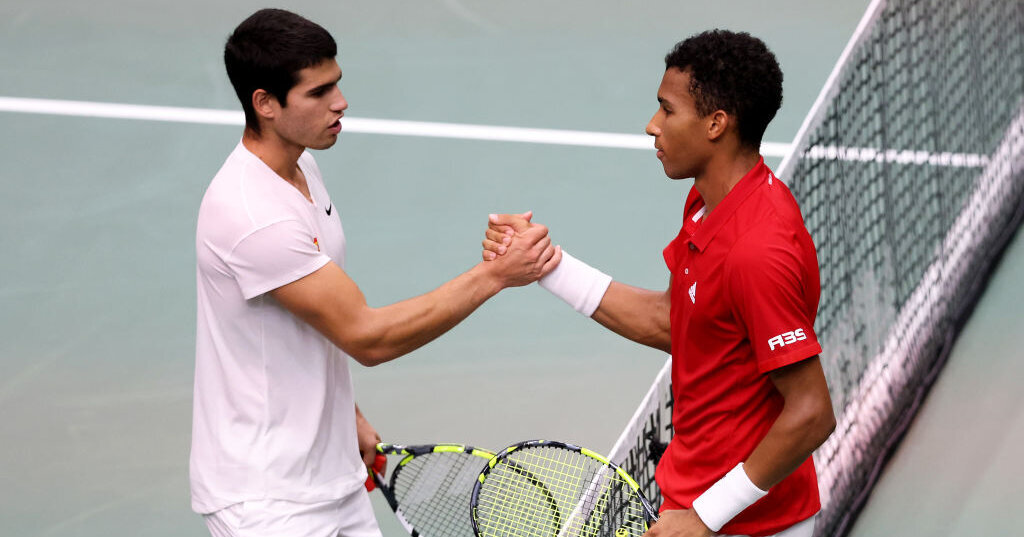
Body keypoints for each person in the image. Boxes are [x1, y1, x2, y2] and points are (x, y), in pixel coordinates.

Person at [191, 8, 561, 537]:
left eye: (337, 84)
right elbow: (368, 336)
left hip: (331, 475)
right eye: (318, 93)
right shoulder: (253, 216)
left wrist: (346, 414)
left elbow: (309, 319)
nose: (340, 103)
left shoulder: (302, 168)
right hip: (269, 500)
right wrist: (496, 275)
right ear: (265, 104)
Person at [485, 30, 835, 537]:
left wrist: (705, 517)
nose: (652, 126)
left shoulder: (758, 251)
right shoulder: (707, 203)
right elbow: (672, 322)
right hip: (691, 502)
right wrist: (546, 264)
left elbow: (811, 412)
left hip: (751, 525)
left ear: (716, 123)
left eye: (667, 111)